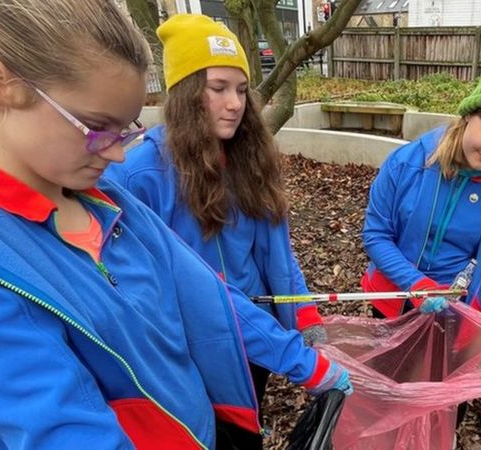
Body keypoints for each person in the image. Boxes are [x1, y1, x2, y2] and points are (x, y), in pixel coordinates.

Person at [0, 2, 351, 449]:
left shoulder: (113, 205)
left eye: (125, 130)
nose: (117, 154)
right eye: (97, 127)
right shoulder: (14, 265)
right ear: (2, 85)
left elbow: (211, 298)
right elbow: (60, 427)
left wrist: (303, 356)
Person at [103, 13, 331, 449]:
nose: (236, 104)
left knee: (248, 431)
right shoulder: (137, 177)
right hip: (192, 353)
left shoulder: (251, 160)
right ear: (186, 93)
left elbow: (279, 257)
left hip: (258, 344)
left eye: (242, 90)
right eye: (219, 88)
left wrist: (305, 318)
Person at [361, 59, 481, 356]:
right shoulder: (406, 164)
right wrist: (417, 283)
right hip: (394, 301)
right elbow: (376, 235)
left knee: (441, 393)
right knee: (389, 381)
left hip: (459, 317)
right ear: (469, 114)